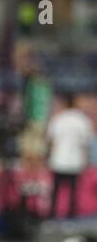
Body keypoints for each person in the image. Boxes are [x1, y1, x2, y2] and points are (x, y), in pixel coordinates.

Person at [44, 91, 94, 221]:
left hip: (59, 159)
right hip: (74, 160)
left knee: (56, 189)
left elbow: (50, 141)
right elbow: (85, 144)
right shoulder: (82, 120)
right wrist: (86, 160)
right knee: (73, 190)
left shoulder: (58, 119)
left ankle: (52, 213)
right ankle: (71, 214)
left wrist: (48, 157)